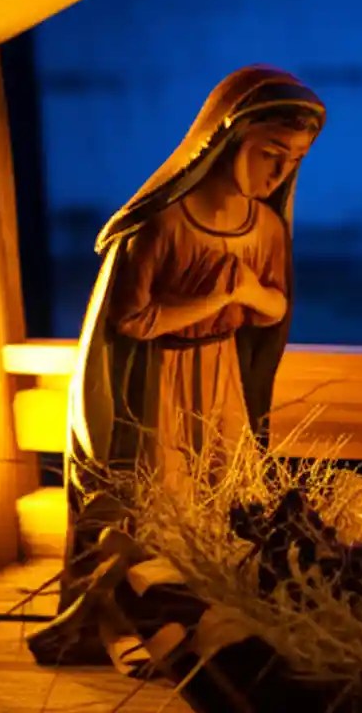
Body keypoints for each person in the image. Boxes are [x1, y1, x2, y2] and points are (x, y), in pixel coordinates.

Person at [58, 65, 325, 615]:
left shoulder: (266, 230)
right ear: (227, 140)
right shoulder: (162, 227)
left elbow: (274, 306)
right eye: (270, 153)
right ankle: (155, 617)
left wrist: (247, 293)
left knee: (229, 493)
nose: (280, 172)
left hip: (223, 375)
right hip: (164, 385)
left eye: (294, 160)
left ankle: (222, 610)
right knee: (165, 497)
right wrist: (219, 300)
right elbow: (131, 321)